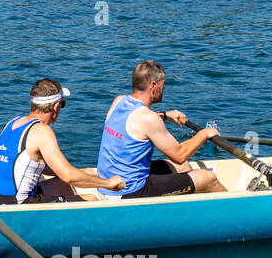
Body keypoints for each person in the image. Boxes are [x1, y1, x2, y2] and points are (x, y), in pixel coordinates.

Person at [95, 61, 226, 199]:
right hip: (128, 192)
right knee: (208, 177)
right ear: (153, 86)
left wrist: (164, 115)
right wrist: (203, 134)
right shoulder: (149, 119)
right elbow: (180, 155)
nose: (164, 89)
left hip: (106, 185)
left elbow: (135, 124)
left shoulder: (119, 101)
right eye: (163, 85)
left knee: (182, 167)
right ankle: (237, 213)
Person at [0, 79, 126, 205]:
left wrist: (81, 173)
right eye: (62, 105)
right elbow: (68, 175)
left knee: (63, 183)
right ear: (56, 107)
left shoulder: (13, 122)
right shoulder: (42, 131)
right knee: (90, 199)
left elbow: (29, 163)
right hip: (15, 204)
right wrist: (108, 183)